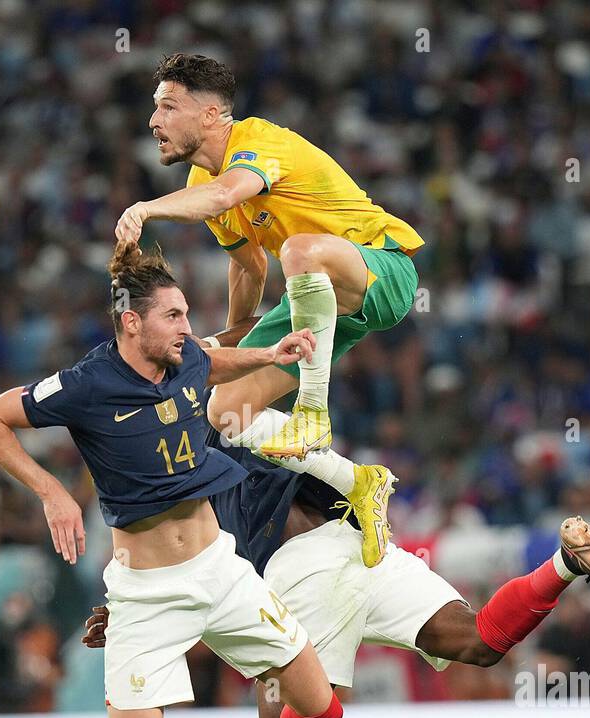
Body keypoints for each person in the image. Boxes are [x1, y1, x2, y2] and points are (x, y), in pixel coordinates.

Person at [83, 315, 590, 718]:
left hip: (346, 547)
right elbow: (169, 543)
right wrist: (136, 608)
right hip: (320, 559)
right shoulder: (185, 434)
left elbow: (239, 355)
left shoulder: (228, 416)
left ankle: (566, 564)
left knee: (476, 646)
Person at [0, 241, 344, 718]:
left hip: (222, 572)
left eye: (187, 315)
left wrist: (268, 354)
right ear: (131, 321)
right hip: (144, 597)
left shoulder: (184, 357)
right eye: (174, 316)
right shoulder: (87, 385)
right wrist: (53, 492)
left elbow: (209, 361)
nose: (186, 329)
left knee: (322, 712)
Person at [116, 53, 428, 568]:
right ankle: (359, 482)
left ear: (212, 115)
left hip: (380, 269)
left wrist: (145, 208)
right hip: (316, 298)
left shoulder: (258, 143)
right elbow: (248, 267)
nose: (154, 122)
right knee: (225, 411)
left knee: (301, 250)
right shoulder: (201, 182)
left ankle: (313, 413)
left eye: (168, 108)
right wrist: (233, 336)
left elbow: (224, 196)